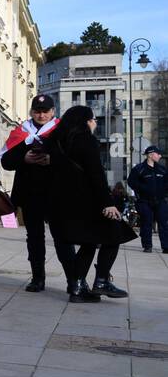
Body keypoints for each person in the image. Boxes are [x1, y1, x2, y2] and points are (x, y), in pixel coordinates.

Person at [43, 106, 134, 301]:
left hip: (60, 204)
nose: (94, 123)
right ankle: (101, 280)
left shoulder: (53, 142)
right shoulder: (86, 140)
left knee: (89, 242)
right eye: (92, 119)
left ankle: (77, 288)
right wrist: (108, 203)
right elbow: (96, 174)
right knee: (115, 231)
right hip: (86, 202)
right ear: (84, 121)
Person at [0, 93, 70, 292]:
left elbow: (73, 160)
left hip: (56, 193)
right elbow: (6, 162)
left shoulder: (62, 131)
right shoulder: (21, 132)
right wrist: (24, 158)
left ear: (53, 112)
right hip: (30, 193)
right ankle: (38, 278)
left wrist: (52, 160)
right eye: (37, 112)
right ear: (31, 112)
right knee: (35, 237)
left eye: (45, 111)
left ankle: (73, 279)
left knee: (62, 237)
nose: (41, 115)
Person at [127, 145, 168, 254]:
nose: (160, 155)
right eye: (157, 153)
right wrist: (143, 189)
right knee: (146, 223)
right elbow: (131, 182)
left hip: (161, 201)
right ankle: (147, 245)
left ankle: (166, 246)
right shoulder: (139, 169)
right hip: (144, 201)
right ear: (150, 155)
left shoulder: (162, 169)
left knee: (163, 223)